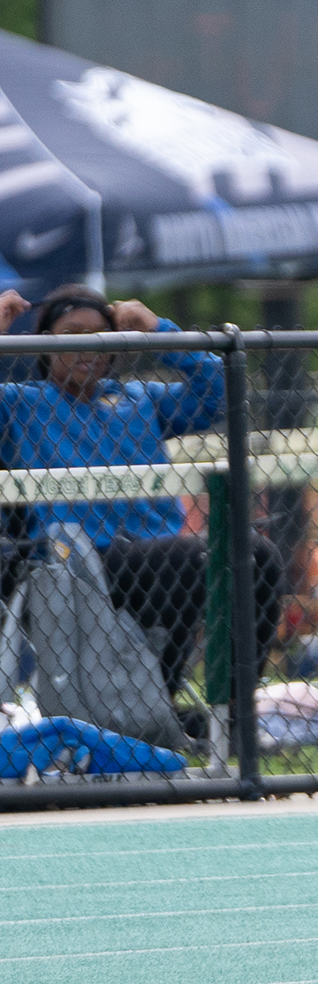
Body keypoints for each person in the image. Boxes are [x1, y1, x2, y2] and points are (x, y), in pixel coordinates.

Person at [0, 285, 281, 700]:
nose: (86, 347)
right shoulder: (20, 404)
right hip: (77, 560)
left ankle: (233, 714)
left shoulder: (139, 398)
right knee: (233, 553)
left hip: (161, 554)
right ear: (44, 344)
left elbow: (222, 389)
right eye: (71, 335)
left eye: (99, 336)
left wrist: (156, 329)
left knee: (260, 558)